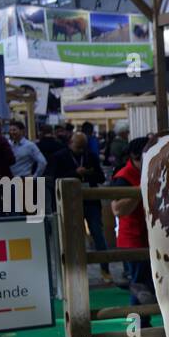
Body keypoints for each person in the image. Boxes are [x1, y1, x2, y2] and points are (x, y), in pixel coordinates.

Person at [109, 137, 154, 318]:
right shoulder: (123, 176)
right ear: (136, 157)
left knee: (144, 286)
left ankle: (142, 326)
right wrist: (140, 189)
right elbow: (117, 209)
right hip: (132, 239)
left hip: (149, 237)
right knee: (138, 287)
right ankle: (135, 329)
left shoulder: (147, 171)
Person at [69, 131, 112, 282]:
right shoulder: (61, 156)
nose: (81, 150)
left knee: (98, 235)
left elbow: (100, 177)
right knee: (73, 238)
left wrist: (87, 173)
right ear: (70, 143)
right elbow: (54, 176)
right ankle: (75, 274)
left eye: (83, 147)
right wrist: (74, 173)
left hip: (91, 202)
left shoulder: (91, 156)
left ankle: (105, 270)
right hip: (71, 204)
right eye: (78, 147)